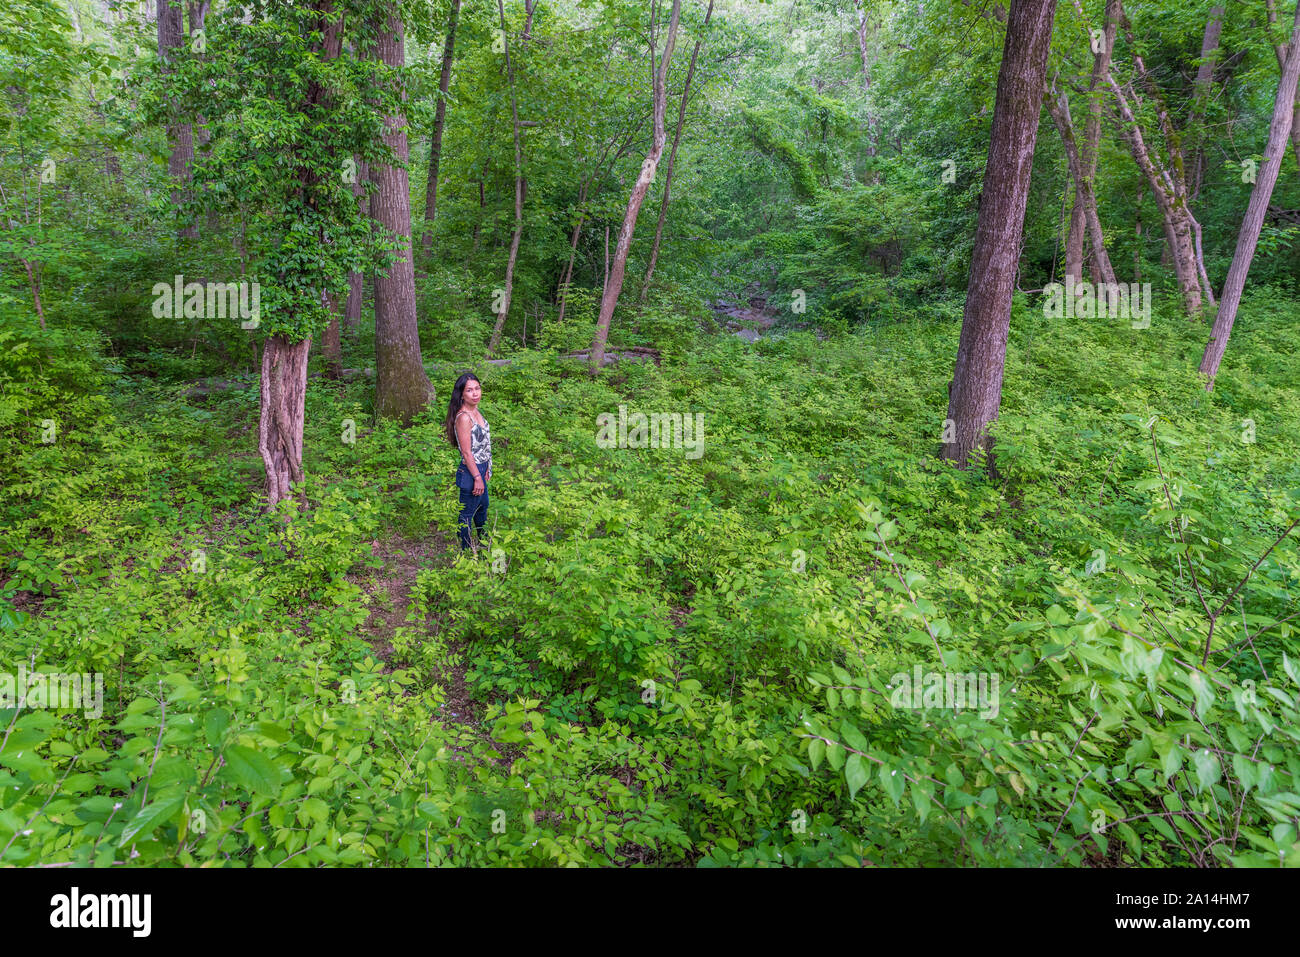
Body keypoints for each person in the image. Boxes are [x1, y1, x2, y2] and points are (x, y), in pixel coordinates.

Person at [445, 372, 492, 551]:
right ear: (462, 394)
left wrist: (488, 467)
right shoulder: (464, 417)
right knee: (466, 514)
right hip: (471, 472)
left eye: (477, 388)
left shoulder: (476, 410)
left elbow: (484, 443)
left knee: (482, 507)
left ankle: (484, 542)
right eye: (470, 390)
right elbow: (466, 452)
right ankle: (466, 550)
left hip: (481, 468)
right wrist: (477, 477)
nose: (475, 393)